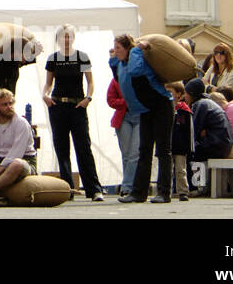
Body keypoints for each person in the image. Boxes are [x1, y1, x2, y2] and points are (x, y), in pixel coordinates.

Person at [43, 24, 103, 201]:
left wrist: (88, 98)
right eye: (63, 37)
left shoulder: (82, 57)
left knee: (83, 147)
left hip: (78, 106)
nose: (66, 40)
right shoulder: (53, 58)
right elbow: (48, 82)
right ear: (58, 40)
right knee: (62, 148)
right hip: (58, 106)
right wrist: (44, 95)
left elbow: (90, 82)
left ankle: (94, 189)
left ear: (73, 38)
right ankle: (67, 189)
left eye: (69, 36)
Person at [110, 34, 172, 203]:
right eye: (114, 48)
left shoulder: (136, 60)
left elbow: (135, 71)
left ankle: (164, 192)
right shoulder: (122, 64)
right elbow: (118, 78)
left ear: (127, 49)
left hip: (161, 105)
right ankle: (138, 193)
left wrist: (137, 50)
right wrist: (113, 60)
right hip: (145, 109)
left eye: (118, 48)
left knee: (163, 151)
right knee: (144, 151)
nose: (116, 51)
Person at [107, 39, 139, 196]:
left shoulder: (134, 70)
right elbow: (110, 100)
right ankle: (130, 185)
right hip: (124, 117)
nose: (115, 51)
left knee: (134, 153)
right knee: (126, 154)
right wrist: (126, 101)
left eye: (118, 48)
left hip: (139, 115)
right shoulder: (116, 78)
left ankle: (127, 186)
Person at [182, 80, 232, 178]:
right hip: (223, 145)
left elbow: (192, 132)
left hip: (216, 145)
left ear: (192, 93)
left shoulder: (200, 105)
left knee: (188, 153)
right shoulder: (208, 103)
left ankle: (195, 186)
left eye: (186, 93)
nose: (184, 96)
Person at [166, 82, 193, 200]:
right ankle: (167, 190)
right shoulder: (164, 109)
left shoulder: (184, 111)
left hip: (180, 145)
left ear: (179, 94)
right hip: (167, 145)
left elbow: (189, 131)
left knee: (180, 169)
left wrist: (189, 147)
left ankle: (183, 191)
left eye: (170, 92)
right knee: (167, 169)